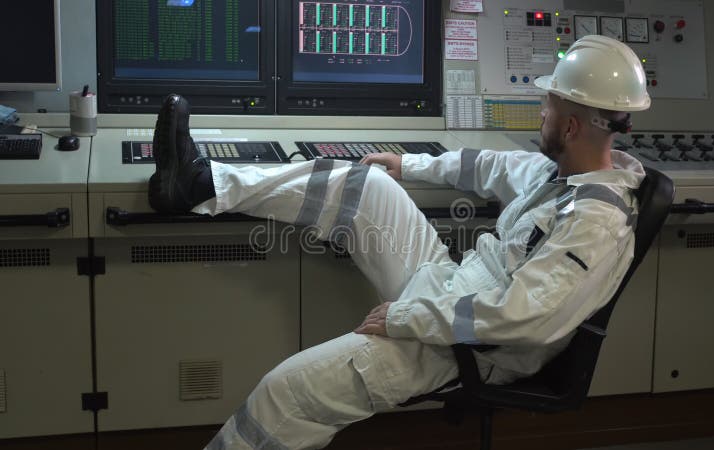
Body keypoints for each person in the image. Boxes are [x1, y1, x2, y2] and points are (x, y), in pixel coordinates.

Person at [147, 35, 651, 450]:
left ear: (569, 124)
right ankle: (200, 184)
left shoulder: (594, 224)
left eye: (549, 103)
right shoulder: (563, 173)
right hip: (454, 293)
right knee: (367, 185)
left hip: (472, 346)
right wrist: (408, 165)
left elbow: (525, 316)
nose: (540, 111)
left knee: (288, 392)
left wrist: (404, 317)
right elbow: (491, 167)